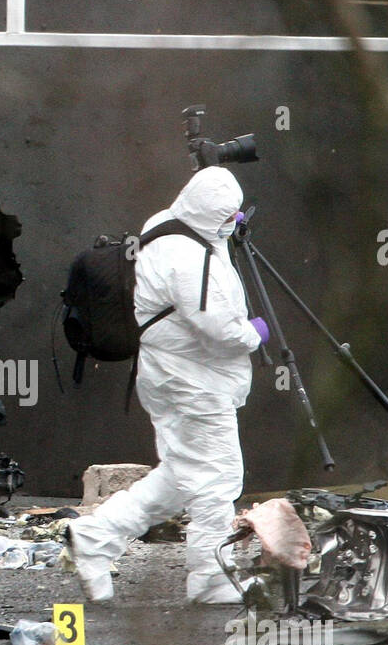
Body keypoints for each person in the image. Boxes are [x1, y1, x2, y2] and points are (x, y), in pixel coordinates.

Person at [66, 166, 270, 604]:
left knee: (182, 476)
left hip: (168, 376)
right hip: (194, 381)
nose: (233, 225)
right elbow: (219, 327)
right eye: (228, 217)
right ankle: (212, 580)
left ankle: (94, 538)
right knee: (217, 477)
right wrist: (255, 332)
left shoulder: (166, 229)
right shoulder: (192, 258)